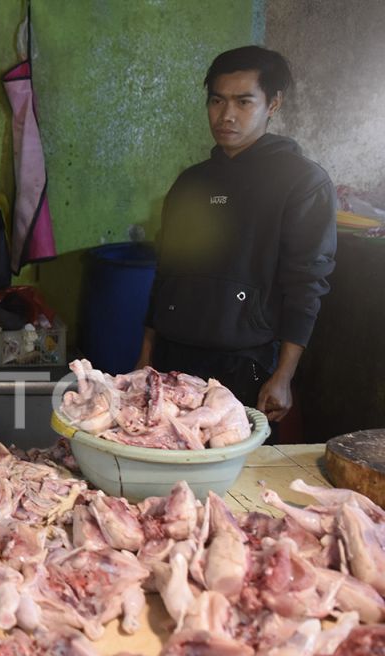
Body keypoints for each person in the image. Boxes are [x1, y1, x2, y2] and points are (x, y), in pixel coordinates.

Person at [137, 46, 336, 423]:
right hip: (172, 358)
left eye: (244, 102)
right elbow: (166, 273)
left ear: (273, 103)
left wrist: (284, 375)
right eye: (217, 100)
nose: (227, 115)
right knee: (162, 463)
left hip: (245, 366)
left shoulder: (301, 182)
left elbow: (307, 283)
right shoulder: (191, 182)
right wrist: (146, 354)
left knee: (233, 476)